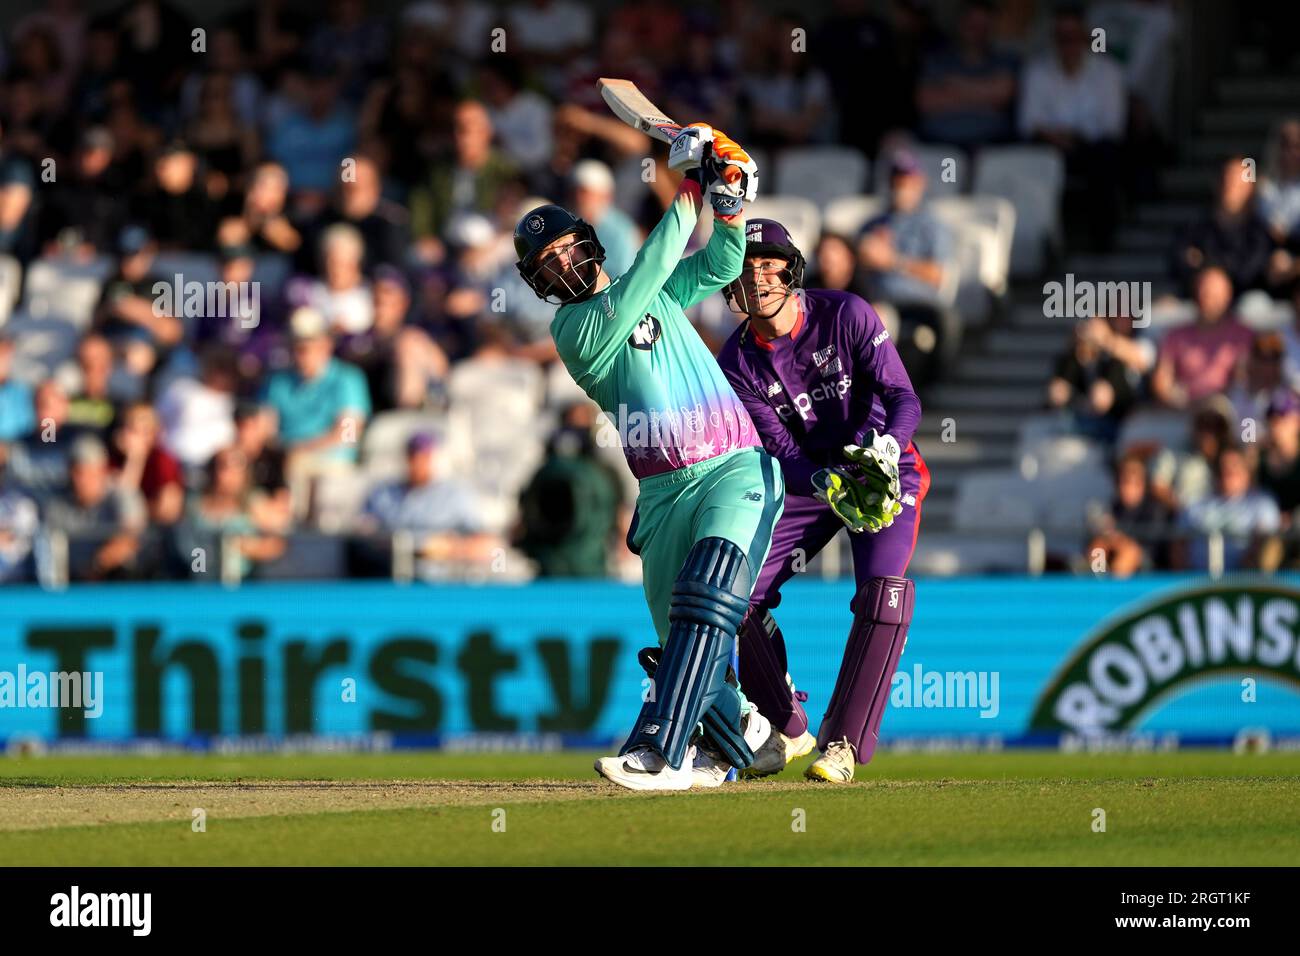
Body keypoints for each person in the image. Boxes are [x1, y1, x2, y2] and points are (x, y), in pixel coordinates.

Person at [515, 121, 782, 790]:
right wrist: (695, 181)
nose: (561, 268)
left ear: (589, 240)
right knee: (680, 647)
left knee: (706, 591)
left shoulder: (652, 288)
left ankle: (664, 752)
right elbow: (653, 267)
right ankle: (748, 729)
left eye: (564, 252)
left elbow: (723, 265)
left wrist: (729, 205)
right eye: (545, 268)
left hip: (731, 465)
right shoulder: (575, 329)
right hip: (663, 494)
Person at [716, 218, 928, 783]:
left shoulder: (846, 313)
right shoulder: (734, 361)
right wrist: (824, 482)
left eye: (769, 263)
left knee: (883, 596)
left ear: (792, 270)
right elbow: (782, 448)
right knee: (735, 596)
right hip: (813, 481)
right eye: (746, 264)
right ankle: (785, 728)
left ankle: (842, 746)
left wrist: (885, 450)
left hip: (886, 471)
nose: (758, 275)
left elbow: (904, 397)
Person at [358, 431, 499, 576]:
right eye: (413, 456)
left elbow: (489, 546)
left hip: (441, 582)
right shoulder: (383, 494)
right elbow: (359, 535)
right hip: (387, 577)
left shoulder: (456, 495)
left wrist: (450, 549)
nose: (418, 463)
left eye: (425, 457)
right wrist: (394, 547)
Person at [1151, 266, 1253, 408]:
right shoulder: (1175, 335)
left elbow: (1244, 380)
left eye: (1214, 296)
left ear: (1228, 296)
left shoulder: (1244, 335)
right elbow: (1162, 383)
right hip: (1184, 410)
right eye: (1204, 294)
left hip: (1229, 411)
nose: (1208, 301)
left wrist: (1216, 403)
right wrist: (1179, 400)